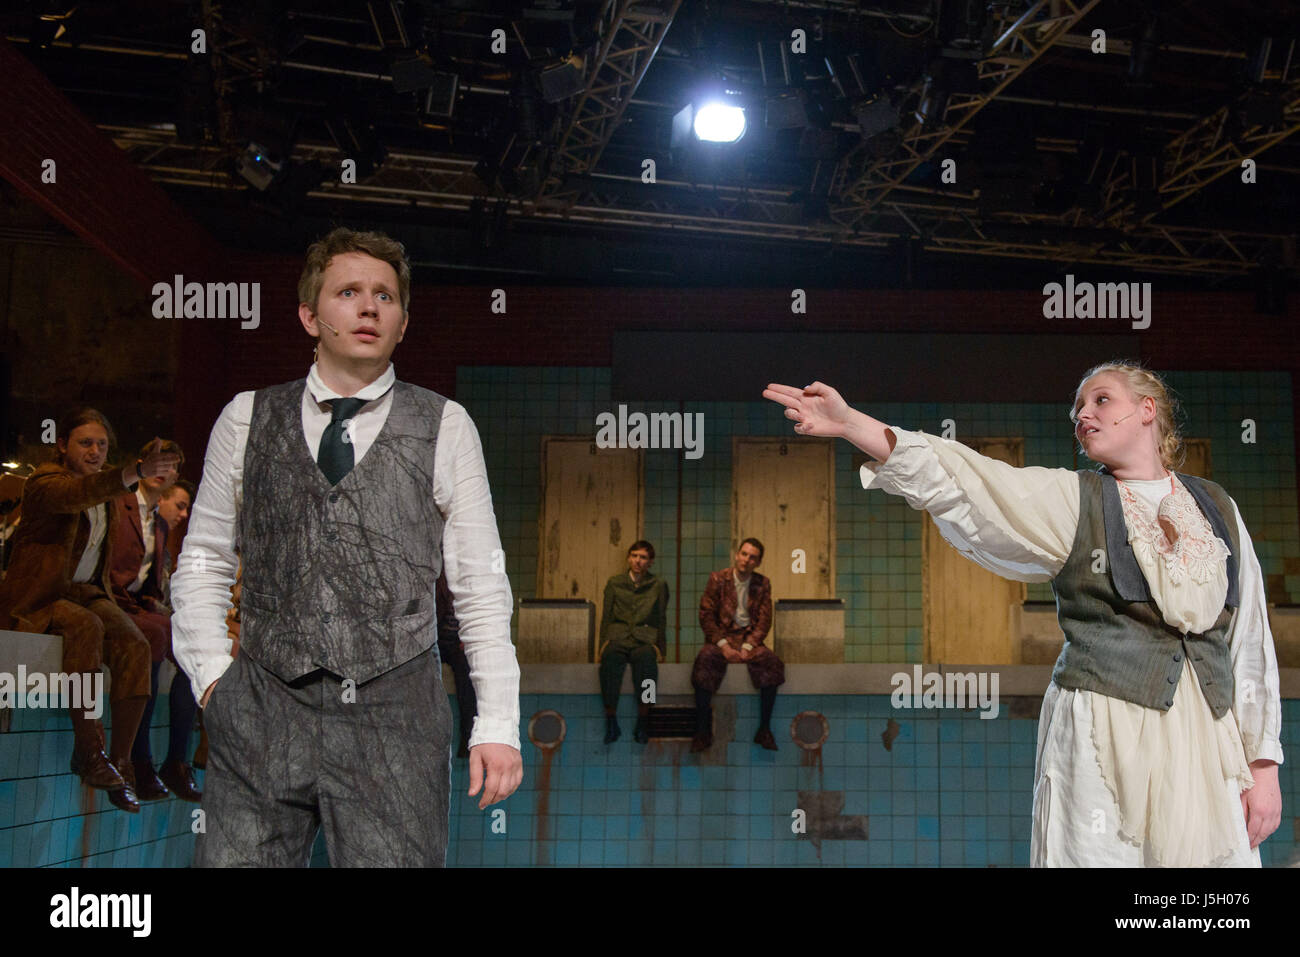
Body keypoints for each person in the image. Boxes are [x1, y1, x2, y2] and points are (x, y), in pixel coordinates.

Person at [764, 361, 1283, 866]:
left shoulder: (1216, 507)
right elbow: (969, 479)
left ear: (1148, 410)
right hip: (1103, 727)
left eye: (1101, 400)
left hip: (1207, 740)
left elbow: (1250, 642)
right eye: (1078, 407)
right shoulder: (1074, 498)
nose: (1083, 414)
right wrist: (851, 422)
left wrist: (1264, 768)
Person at [171, 227, 522, 867]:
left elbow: (480, 582)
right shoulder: (246, 417)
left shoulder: (446, 424)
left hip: (398, 719)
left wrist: (496, 723)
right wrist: (213, 680)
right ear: (309, 314)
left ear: (403, 322)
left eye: (385, 296)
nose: (368, 308)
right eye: (349, 292)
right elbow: (203, 561)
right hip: (260, 710)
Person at [0, 408, 180, 813]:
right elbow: (77, 494)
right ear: (62, 445)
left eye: (101, 444)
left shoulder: (110, 498)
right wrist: (135, 470)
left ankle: (121, 762)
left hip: (87, 591)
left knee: (135, 643)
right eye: (85, 443)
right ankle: (88, 751)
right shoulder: (46, 482)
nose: (95, 451)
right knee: (85, 628)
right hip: (42, 596)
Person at [108, 439, 201, 802]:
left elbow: (148, 587)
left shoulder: (158, 525)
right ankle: (137, 758)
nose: (168, 472)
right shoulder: (119, 503)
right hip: (112, 605)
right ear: (143, 463)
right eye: (162, 464)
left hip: (137, 607)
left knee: (193, 649)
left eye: (175, 467)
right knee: (156, 635)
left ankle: (176, 760)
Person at [691, 538, 785, 752]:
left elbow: (764, 620)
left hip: (748, 638)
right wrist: (723, 645)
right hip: (721, 638)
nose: (746, 560)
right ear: (736, 554)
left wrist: (748, 646)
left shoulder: (763, 583)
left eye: (752, 557)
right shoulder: (718, 579)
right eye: (744, 554)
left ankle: (764, 729)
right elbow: (706, 615)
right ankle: (702, 732)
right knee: (704, 660)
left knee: (772, 662)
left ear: (758, 562)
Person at [598, 541, 669, 745]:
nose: (638, 561)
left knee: (648, 669)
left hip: (644, 638)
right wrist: (602, 645)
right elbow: (607, 615)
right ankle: (611, 719)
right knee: (609, 665)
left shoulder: (658, 585)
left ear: (651, 562)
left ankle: (644, 719)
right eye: (634, 556)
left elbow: (661, 617)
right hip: (618, 636)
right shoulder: (615, 583)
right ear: (629, 558)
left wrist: (661, 649)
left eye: (643, 557)